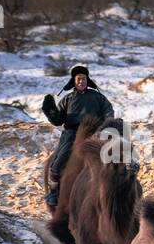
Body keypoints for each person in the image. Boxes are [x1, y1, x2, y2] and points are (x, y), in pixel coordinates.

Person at [40, 64, 115, 209]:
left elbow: (108, 111)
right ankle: (55, 192)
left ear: (88, 80)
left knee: (115, 159)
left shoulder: (98, 97)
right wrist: (50, 111)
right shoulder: (68, 99)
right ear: (74, 81)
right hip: (72, 134)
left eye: (84, 79)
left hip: (95, 133)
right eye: (79, 79)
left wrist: (106, 124)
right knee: (57, 164)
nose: (81, 81)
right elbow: (58, 120)